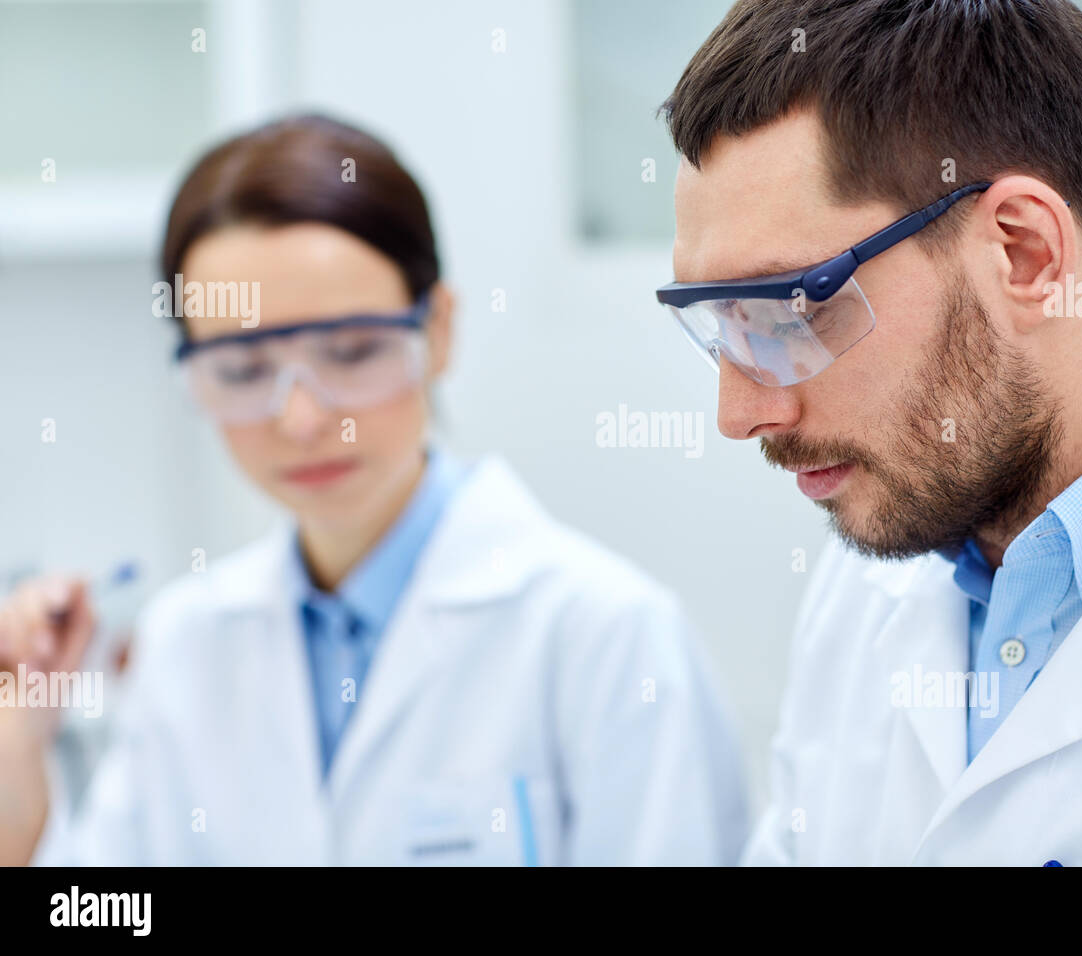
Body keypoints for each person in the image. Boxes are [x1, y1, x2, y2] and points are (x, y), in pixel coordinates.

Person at [0, 114, 748, 866]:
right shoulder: (186, 644)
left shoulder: (606, 638)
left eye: (352, 351)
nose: (301, 418)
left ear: (441, 330)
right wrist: (18, 779)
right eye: (241, 370)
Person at [654, 0, 1082, 864]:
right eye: (718, 326)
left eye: (785, 311)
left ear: (1023, 252)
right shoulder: (865, 585)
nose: (741, 415)